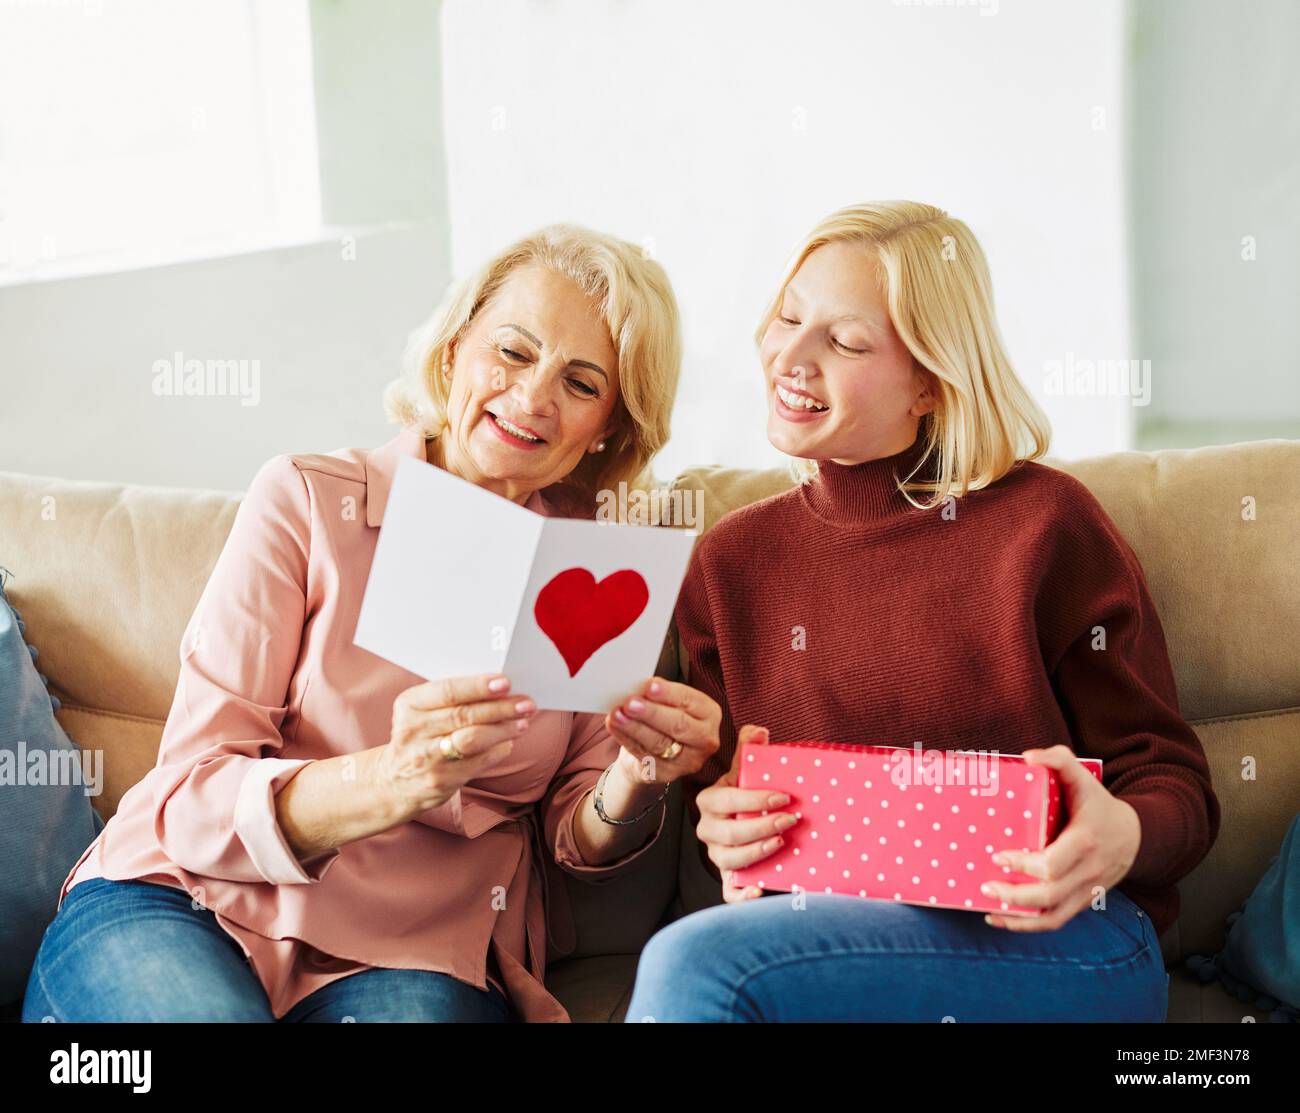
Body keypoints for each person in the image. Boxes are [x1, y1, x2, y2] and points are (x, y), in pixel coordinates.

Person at [23, 223, 719, 1023]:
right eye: (515, 352)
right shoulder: (308, 500)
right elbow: (196, 782)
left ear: (608, 427)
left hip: (413, 949)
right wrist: (392, 775)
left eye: (582, 382)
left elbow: (577, 835)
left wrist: (636, 773)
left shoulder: (595, 570)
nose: (533, 398)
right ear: (455, 350)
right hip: (190, 897)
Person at [622, 201, 1220, 1022]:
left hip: (1066, 937)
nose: (791, 357)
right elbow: (740, 804)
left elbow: (1174, 785)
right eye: (788, 318)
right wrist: (727, 825)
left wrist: (1121, 833)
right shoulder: (729, 561)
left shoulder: (1045, 527)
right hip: (839, 939)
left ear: (932, 385)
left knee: (701, 965)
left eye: (845, 341)